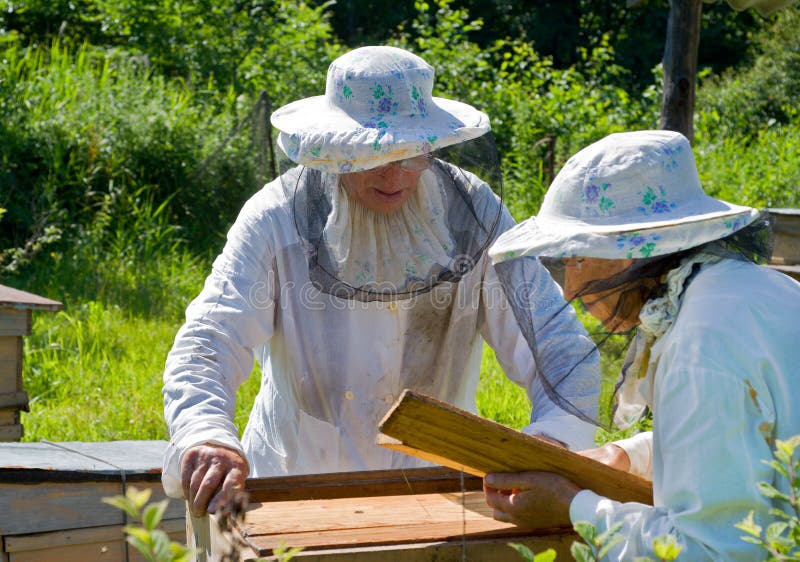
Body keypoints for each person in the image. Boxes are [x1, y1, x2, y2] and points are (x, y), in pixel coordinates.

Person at [161, 46, 602, 517]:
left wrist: (553, 440)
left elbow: (556, 342)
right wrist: (206, 433)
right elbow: (210, 339)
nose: (395, 174)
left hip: (439, 492)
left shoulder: (475, 213)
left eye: (411, 153)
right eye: (373, 154)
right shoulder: (276, 217)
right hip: (296, 486)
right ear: (337, 147)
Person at [484, 129, 800, 561]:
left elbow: (709, 551)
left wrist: (574, 507)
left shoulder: (698, 348)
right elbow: (736, 436)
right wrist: (627, 455)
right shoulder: (761, 289)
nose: (571, 286)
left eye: (576, 258)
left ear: (628, 251)